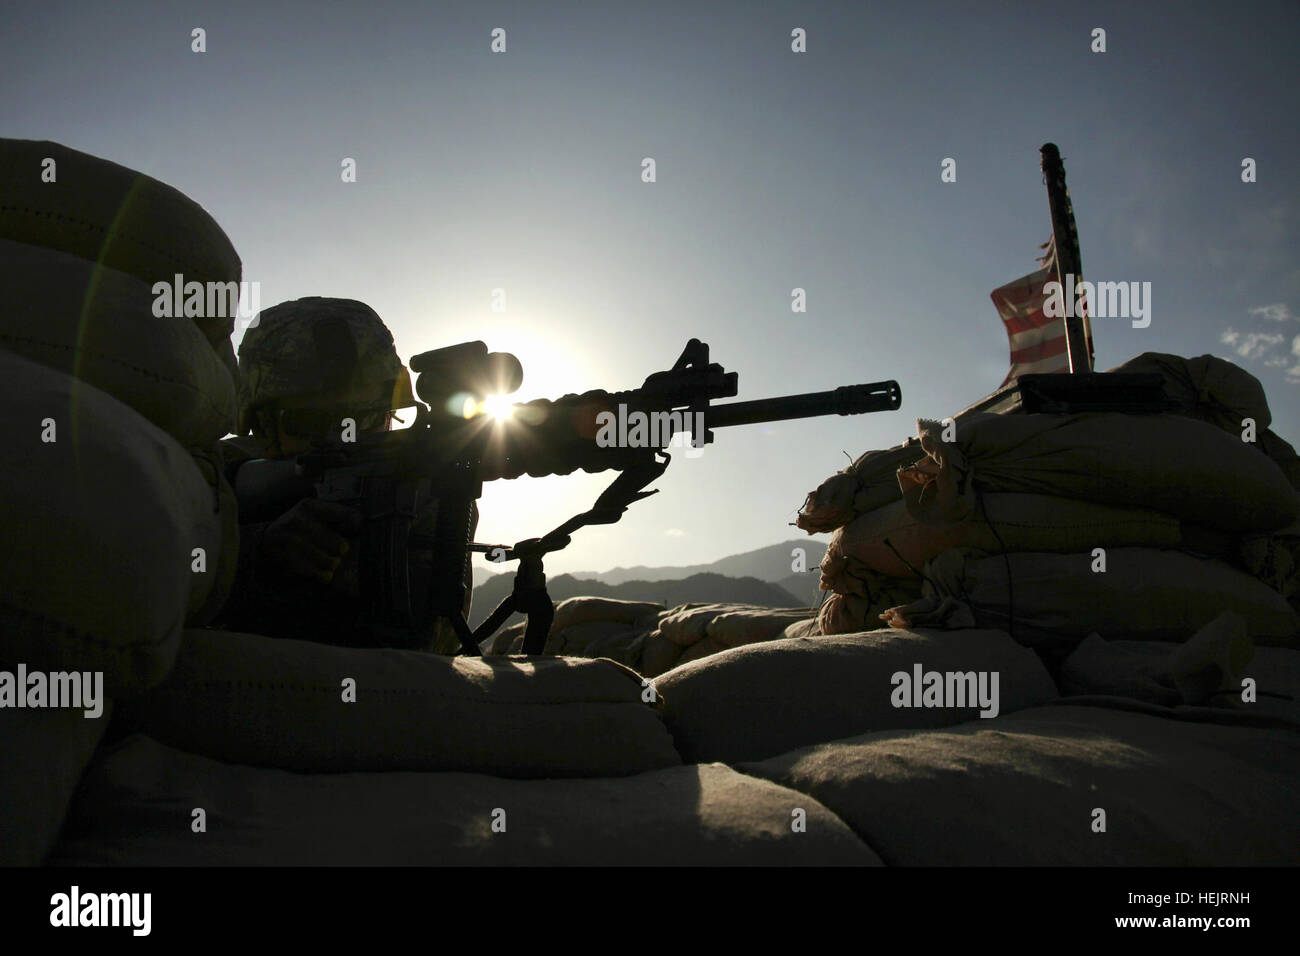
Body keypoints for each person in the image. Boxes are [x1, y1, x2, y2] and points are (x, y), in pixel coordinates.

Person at [217, 296, 475, 652]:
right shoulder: (209, 475)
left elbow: (437, 643)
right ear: (258, 424)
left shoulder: (425, 487)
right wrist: (256, 554)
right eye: (313, 421)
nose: (348, 437)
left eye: (369, 415)